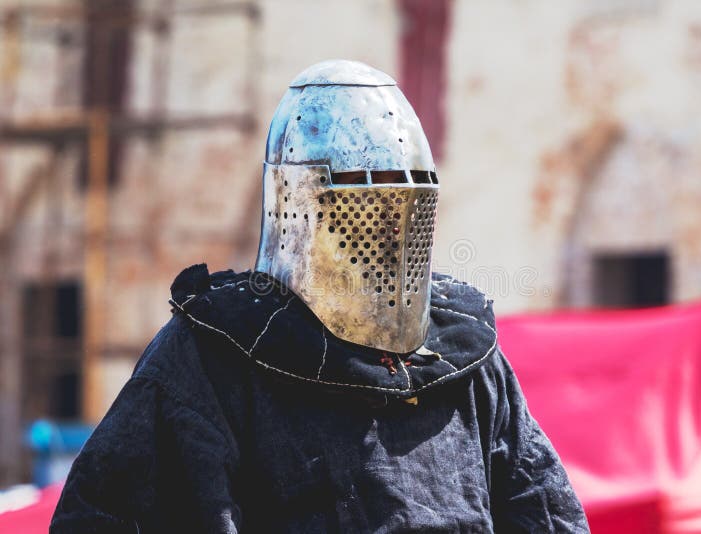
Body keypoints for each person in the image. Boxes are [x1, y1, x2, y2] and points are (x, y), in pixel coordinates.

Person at [51, 60, 589, 533]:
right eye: (362, 187)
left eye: (409, 190)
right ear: (296, 199)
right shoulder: (213, 360)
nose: (391, 231)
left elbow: (542, 509)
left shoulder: (466, 364)